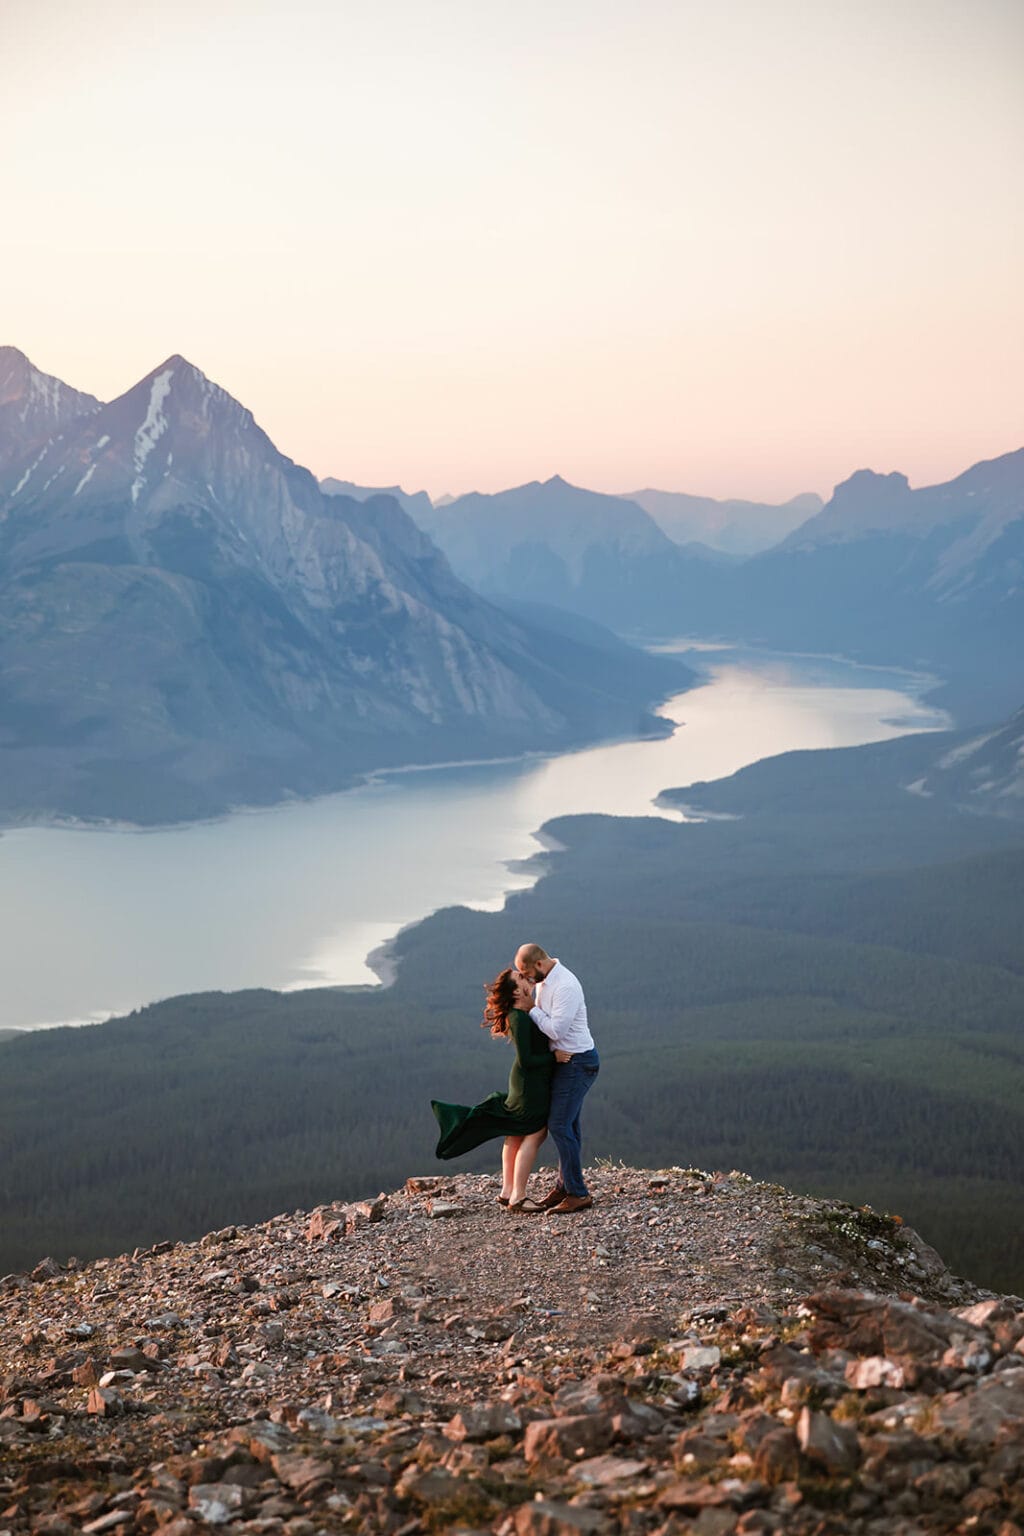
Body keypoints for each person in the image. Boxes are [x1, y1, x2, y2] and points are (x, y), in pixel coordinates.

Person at [431, 968, 554, 1212]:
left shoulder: (519, 1014)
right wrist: (555, 1057)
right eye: (521, 978)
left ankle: (508, 1191)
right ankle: (518, 1196)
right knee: (536, 1132)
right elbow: (527, 1060)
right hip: (529, 1086)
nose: (527, 978)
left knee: (515, 1133)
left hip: (525, 1084)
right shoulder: (519, 1018)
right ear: (516, 992)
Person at [514, 943, 599, 1213]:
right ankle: (565, 1186)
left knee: (559, 1124)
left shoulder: (565, 986)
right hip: (565, 1062)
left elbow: (556, 1030)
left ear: (539, 964)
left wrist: (530, 1009)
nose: (526, 979)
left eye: (527, 973)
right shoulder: (544, 981)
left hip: (578, 1061)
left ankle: (577, 1193)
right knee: (569, 1125)